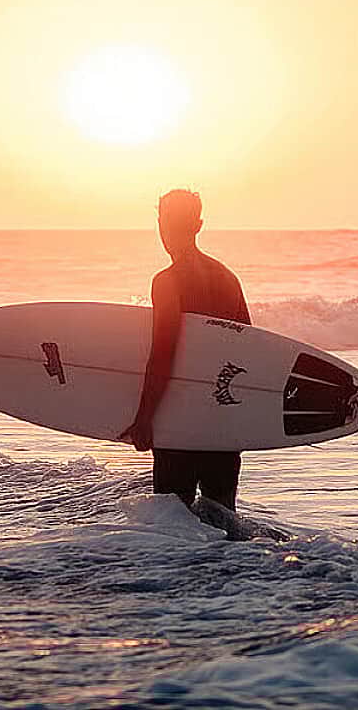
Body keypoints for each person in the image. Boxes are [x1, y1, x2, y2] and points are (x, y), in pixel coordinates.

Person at [119, 189, 251, 510]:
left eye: (167, 223)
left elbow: (164, 351)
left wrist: (144, 417)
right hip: (222, 420)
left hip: (180, 418)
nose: (166, 232)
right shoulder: (228, 278)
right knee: (223, 518)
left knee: (173, 521)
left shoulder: (167, 280)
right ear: (198, 225)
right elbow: (248, 348)